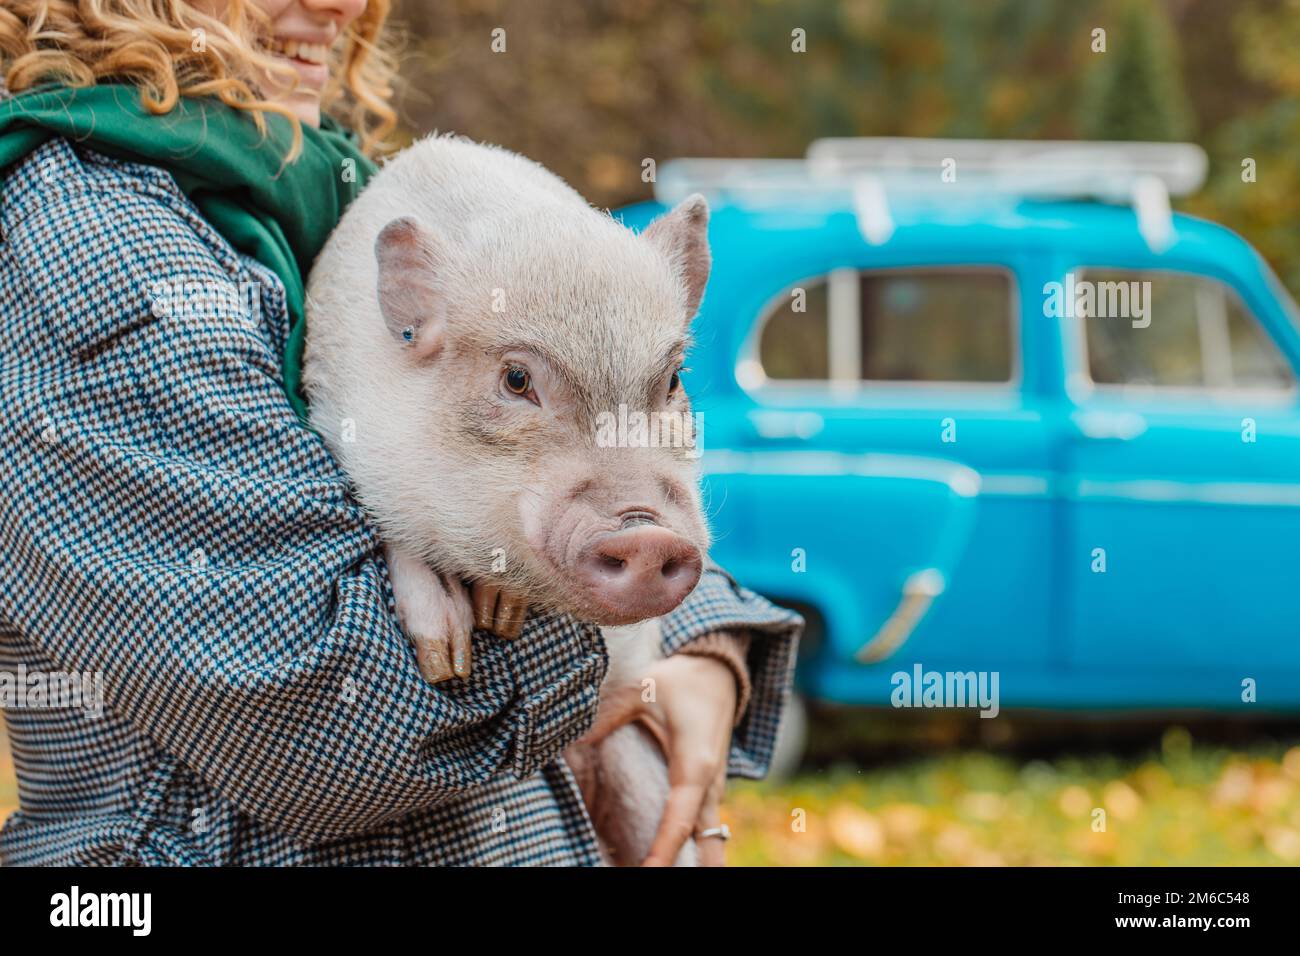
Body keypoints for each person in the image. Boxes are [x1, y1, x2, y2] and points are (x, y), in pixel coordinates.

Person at [0, 0, 801, 866]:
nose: (337, 5)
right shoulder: (89, 243)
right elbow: (323, 715)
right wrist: (617, 649)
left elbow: (587, 442)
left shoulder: (327, 186)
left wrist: (698, 640)